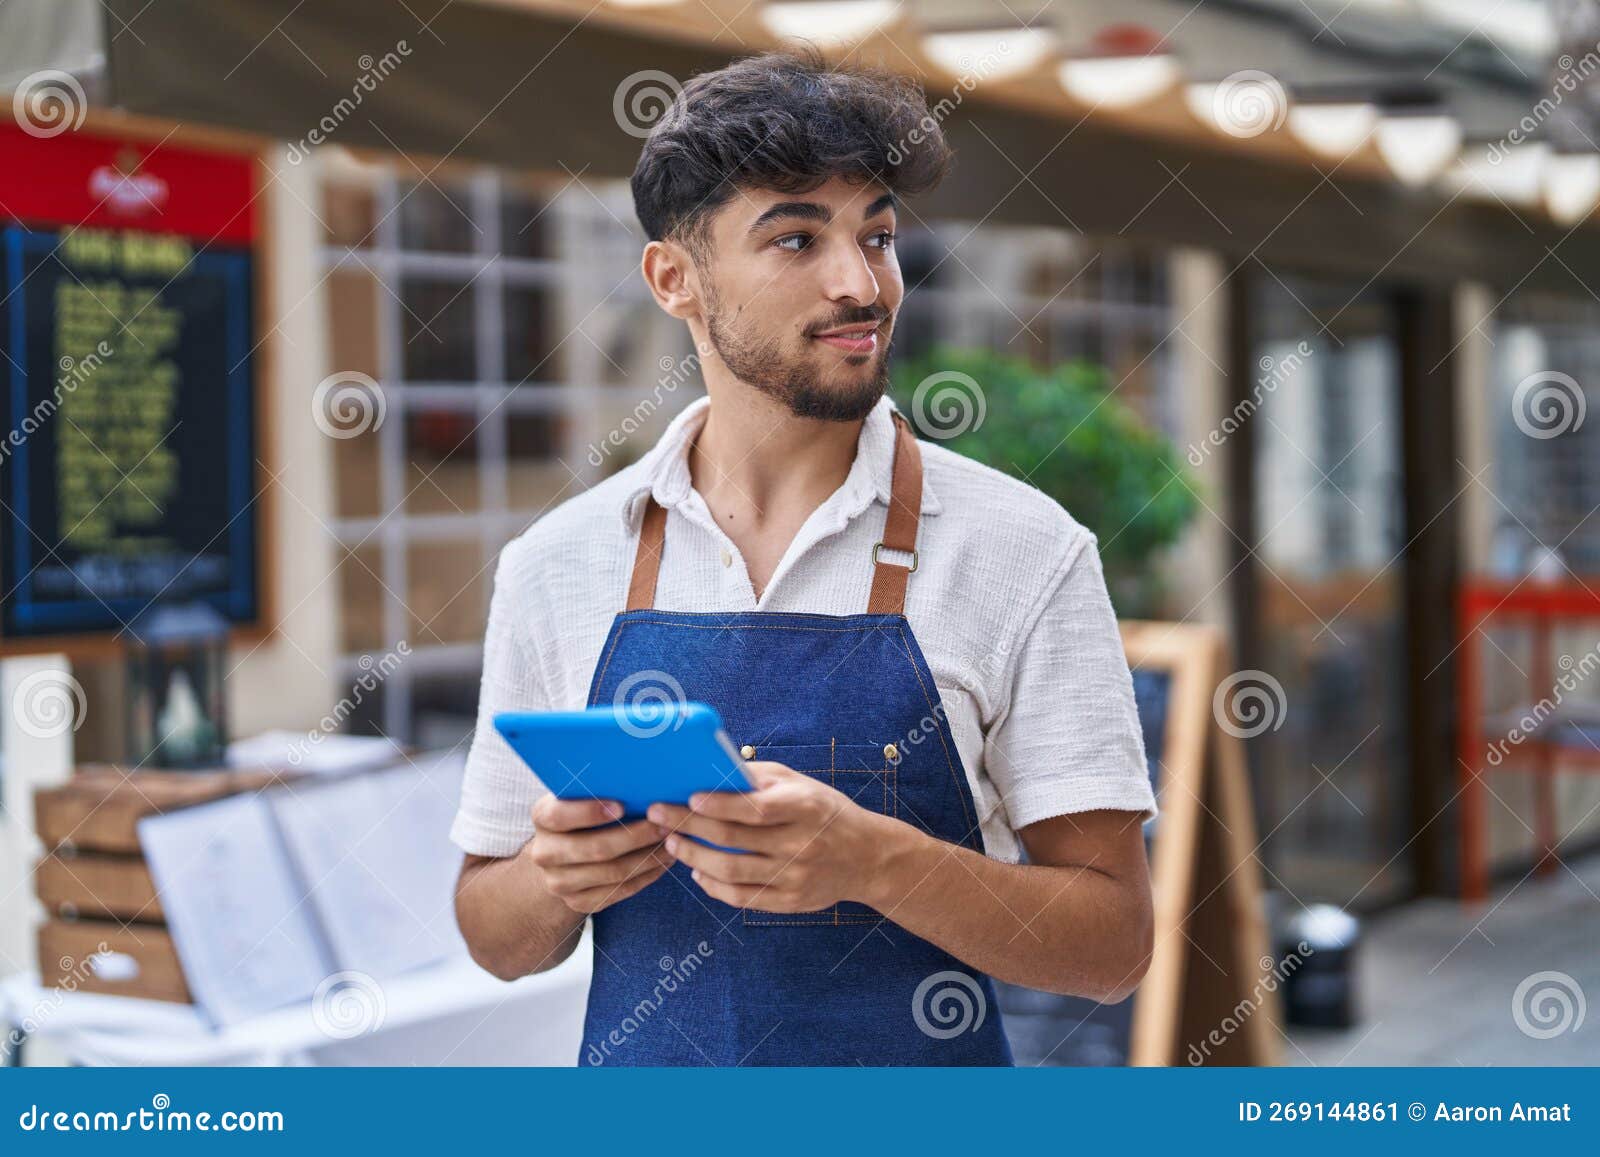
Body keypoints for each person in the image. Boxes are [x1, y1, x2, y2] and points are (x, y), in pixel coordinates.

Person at [451, 46, 1157, 1066]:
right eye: (795, 238)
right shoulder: (557, 561)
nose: (859, 282)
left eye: (877, 234)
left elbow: (1112, 947)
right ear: (674, 279)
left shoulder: (1025, 551)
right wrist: (556, 874)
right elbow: (489, 931)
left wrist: (877, 861)